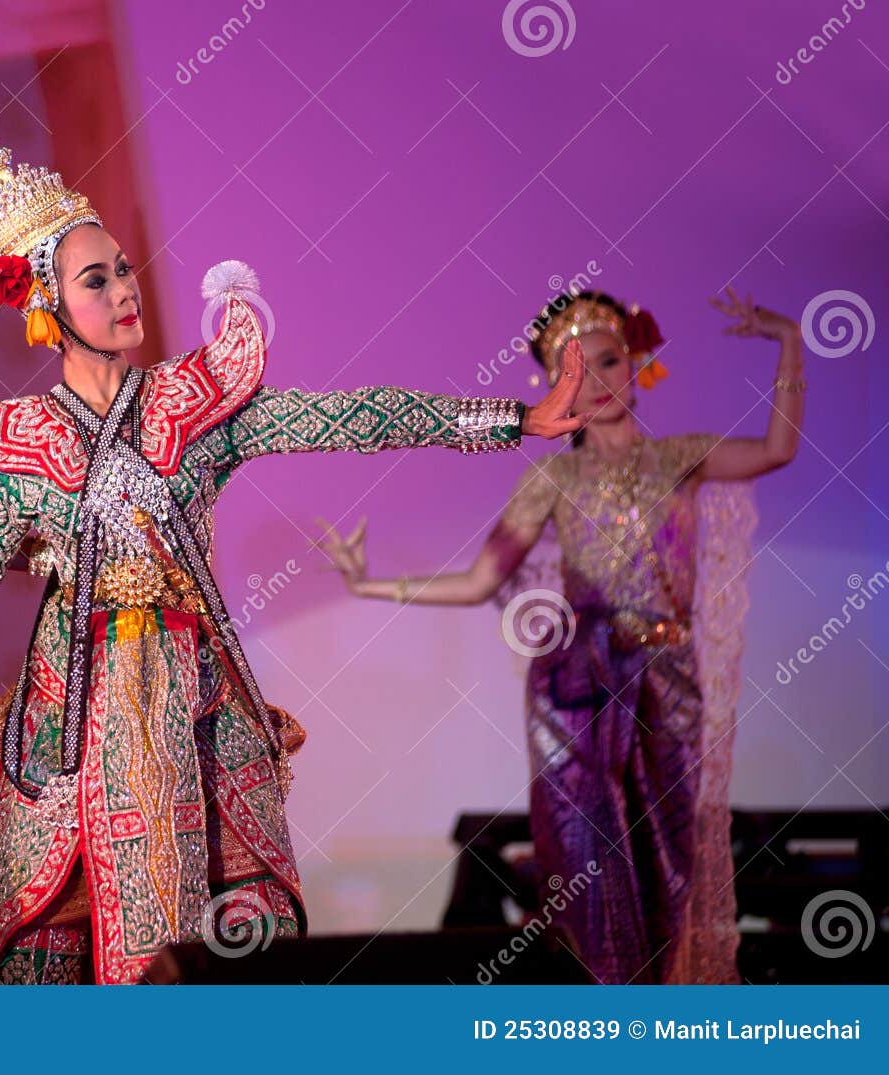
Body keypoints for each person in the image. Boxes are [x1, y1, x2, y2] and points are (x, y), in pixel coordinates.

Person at [0, 29, 586, 984]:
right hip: (81, 711)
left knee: (221, 937)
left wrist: (511, 418)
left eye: (125, 270)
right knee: (70, 942)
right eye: (98, 280)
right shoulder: (23, 449)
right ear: (45, 302)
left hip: (196, 691)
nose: (127, 291)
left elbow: (349, 418)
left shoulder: (193, 408)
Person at [319, 287, 802, 982]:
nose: (598, 381)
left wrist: (789, 337)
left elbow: (779, 447)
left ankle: (659, 1022)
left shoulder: (683, 458)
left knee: (668, 863)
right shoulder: (555, 475)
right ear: (556, 390)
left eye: (608, 360)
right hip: (584, 689)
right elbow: (483, 580)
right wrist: (370, 585)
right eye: (575, 371)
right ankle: (603, 1016)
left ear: (636, 362)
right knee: (593, 858)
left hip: (670, 677)